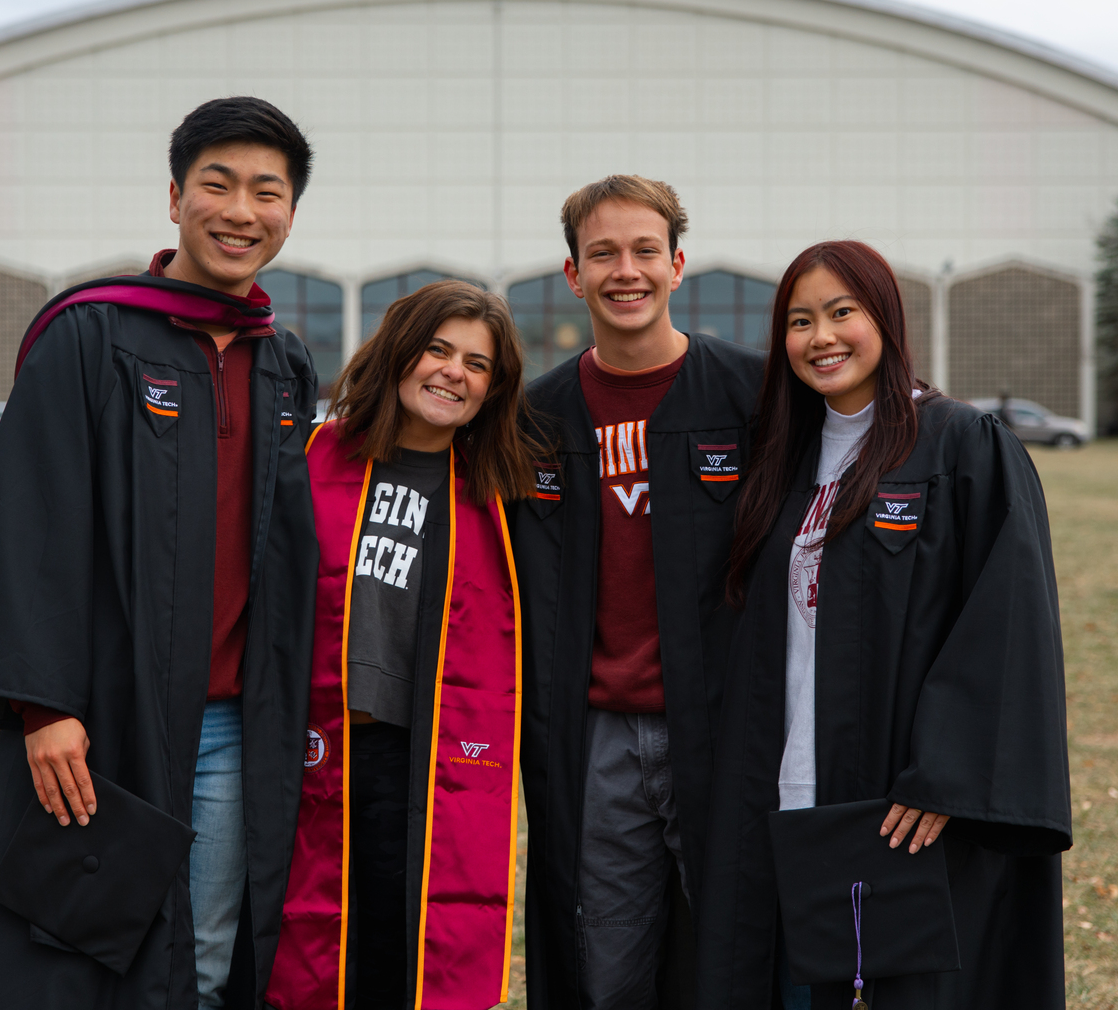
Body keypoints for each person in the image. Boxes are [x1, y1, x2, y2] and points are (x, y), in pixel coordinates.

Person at [0, 96, 321, 1009]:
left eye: (267, 192)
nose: (240, 212)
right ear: (175, 198)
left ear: (291, 214)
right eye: (217, 185)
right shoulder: (90, 336)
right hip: (98, 719)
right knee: (76, 955)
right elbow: (28, 523)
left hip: (230, 726)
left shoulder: (284, 366)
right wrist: (41, 706)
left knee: (205, 959)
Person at [695, 241, 1071, 1008]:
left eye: (842, 313)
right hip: (780, 788)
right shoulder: (783, 456)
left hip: (896, 802)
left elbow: (1007, 622)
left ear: (886, 319)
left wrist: (947, 774)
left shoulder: (961, 444)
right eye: (800, 322)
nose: (821, 337)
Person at [511, 175, 765, 1009]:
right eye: (603, 253)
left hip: (724, 728)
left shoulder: (754, 399)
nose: (627, 270)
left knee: (733, 954)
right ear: (573, 275)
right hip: (597, 738)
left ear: (679, 264)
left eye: (645, 250)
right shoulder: (533, 419)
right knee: (605, 971)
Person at [266, 281, 537, 1010]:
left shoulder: (499, 494)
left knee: (397, 953)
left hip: (418, 756)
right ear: (398, 355)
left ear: (493, 387)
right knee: (300, 951)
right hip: (308, 743)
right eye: (438, 349)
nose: (454, 372)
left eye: (477, 364)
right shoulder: (311, 457)